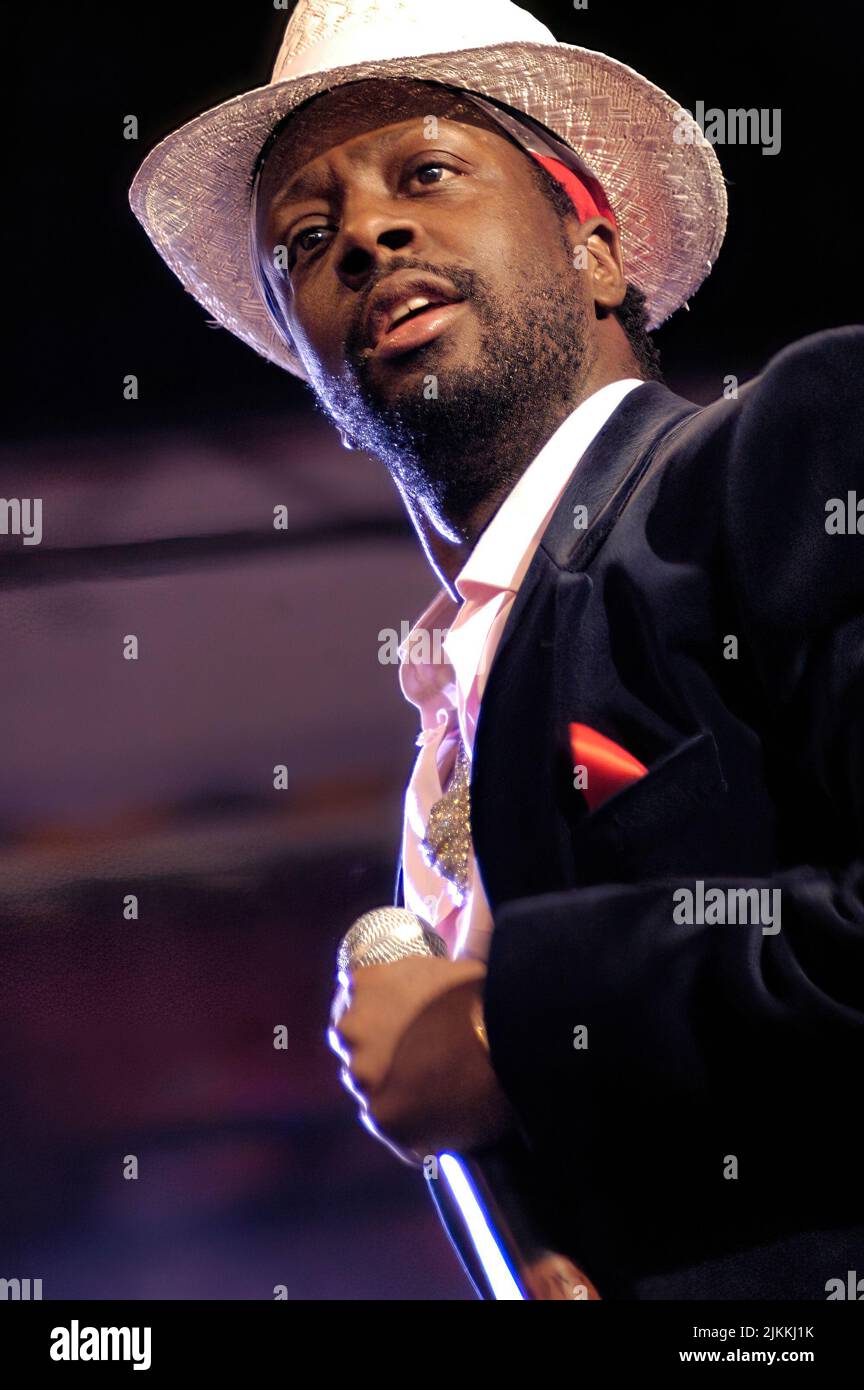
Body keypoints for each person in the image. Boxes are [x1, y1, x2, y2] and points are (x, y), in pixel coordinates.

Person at [130, 0, 864, 1299]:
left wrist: (509, 1029)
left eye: (425, 173)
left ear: (594, 242)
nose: (365, 232)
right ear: (308, 369)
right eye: (308, 238)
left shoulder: (794, 442)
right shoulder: (449, 734)